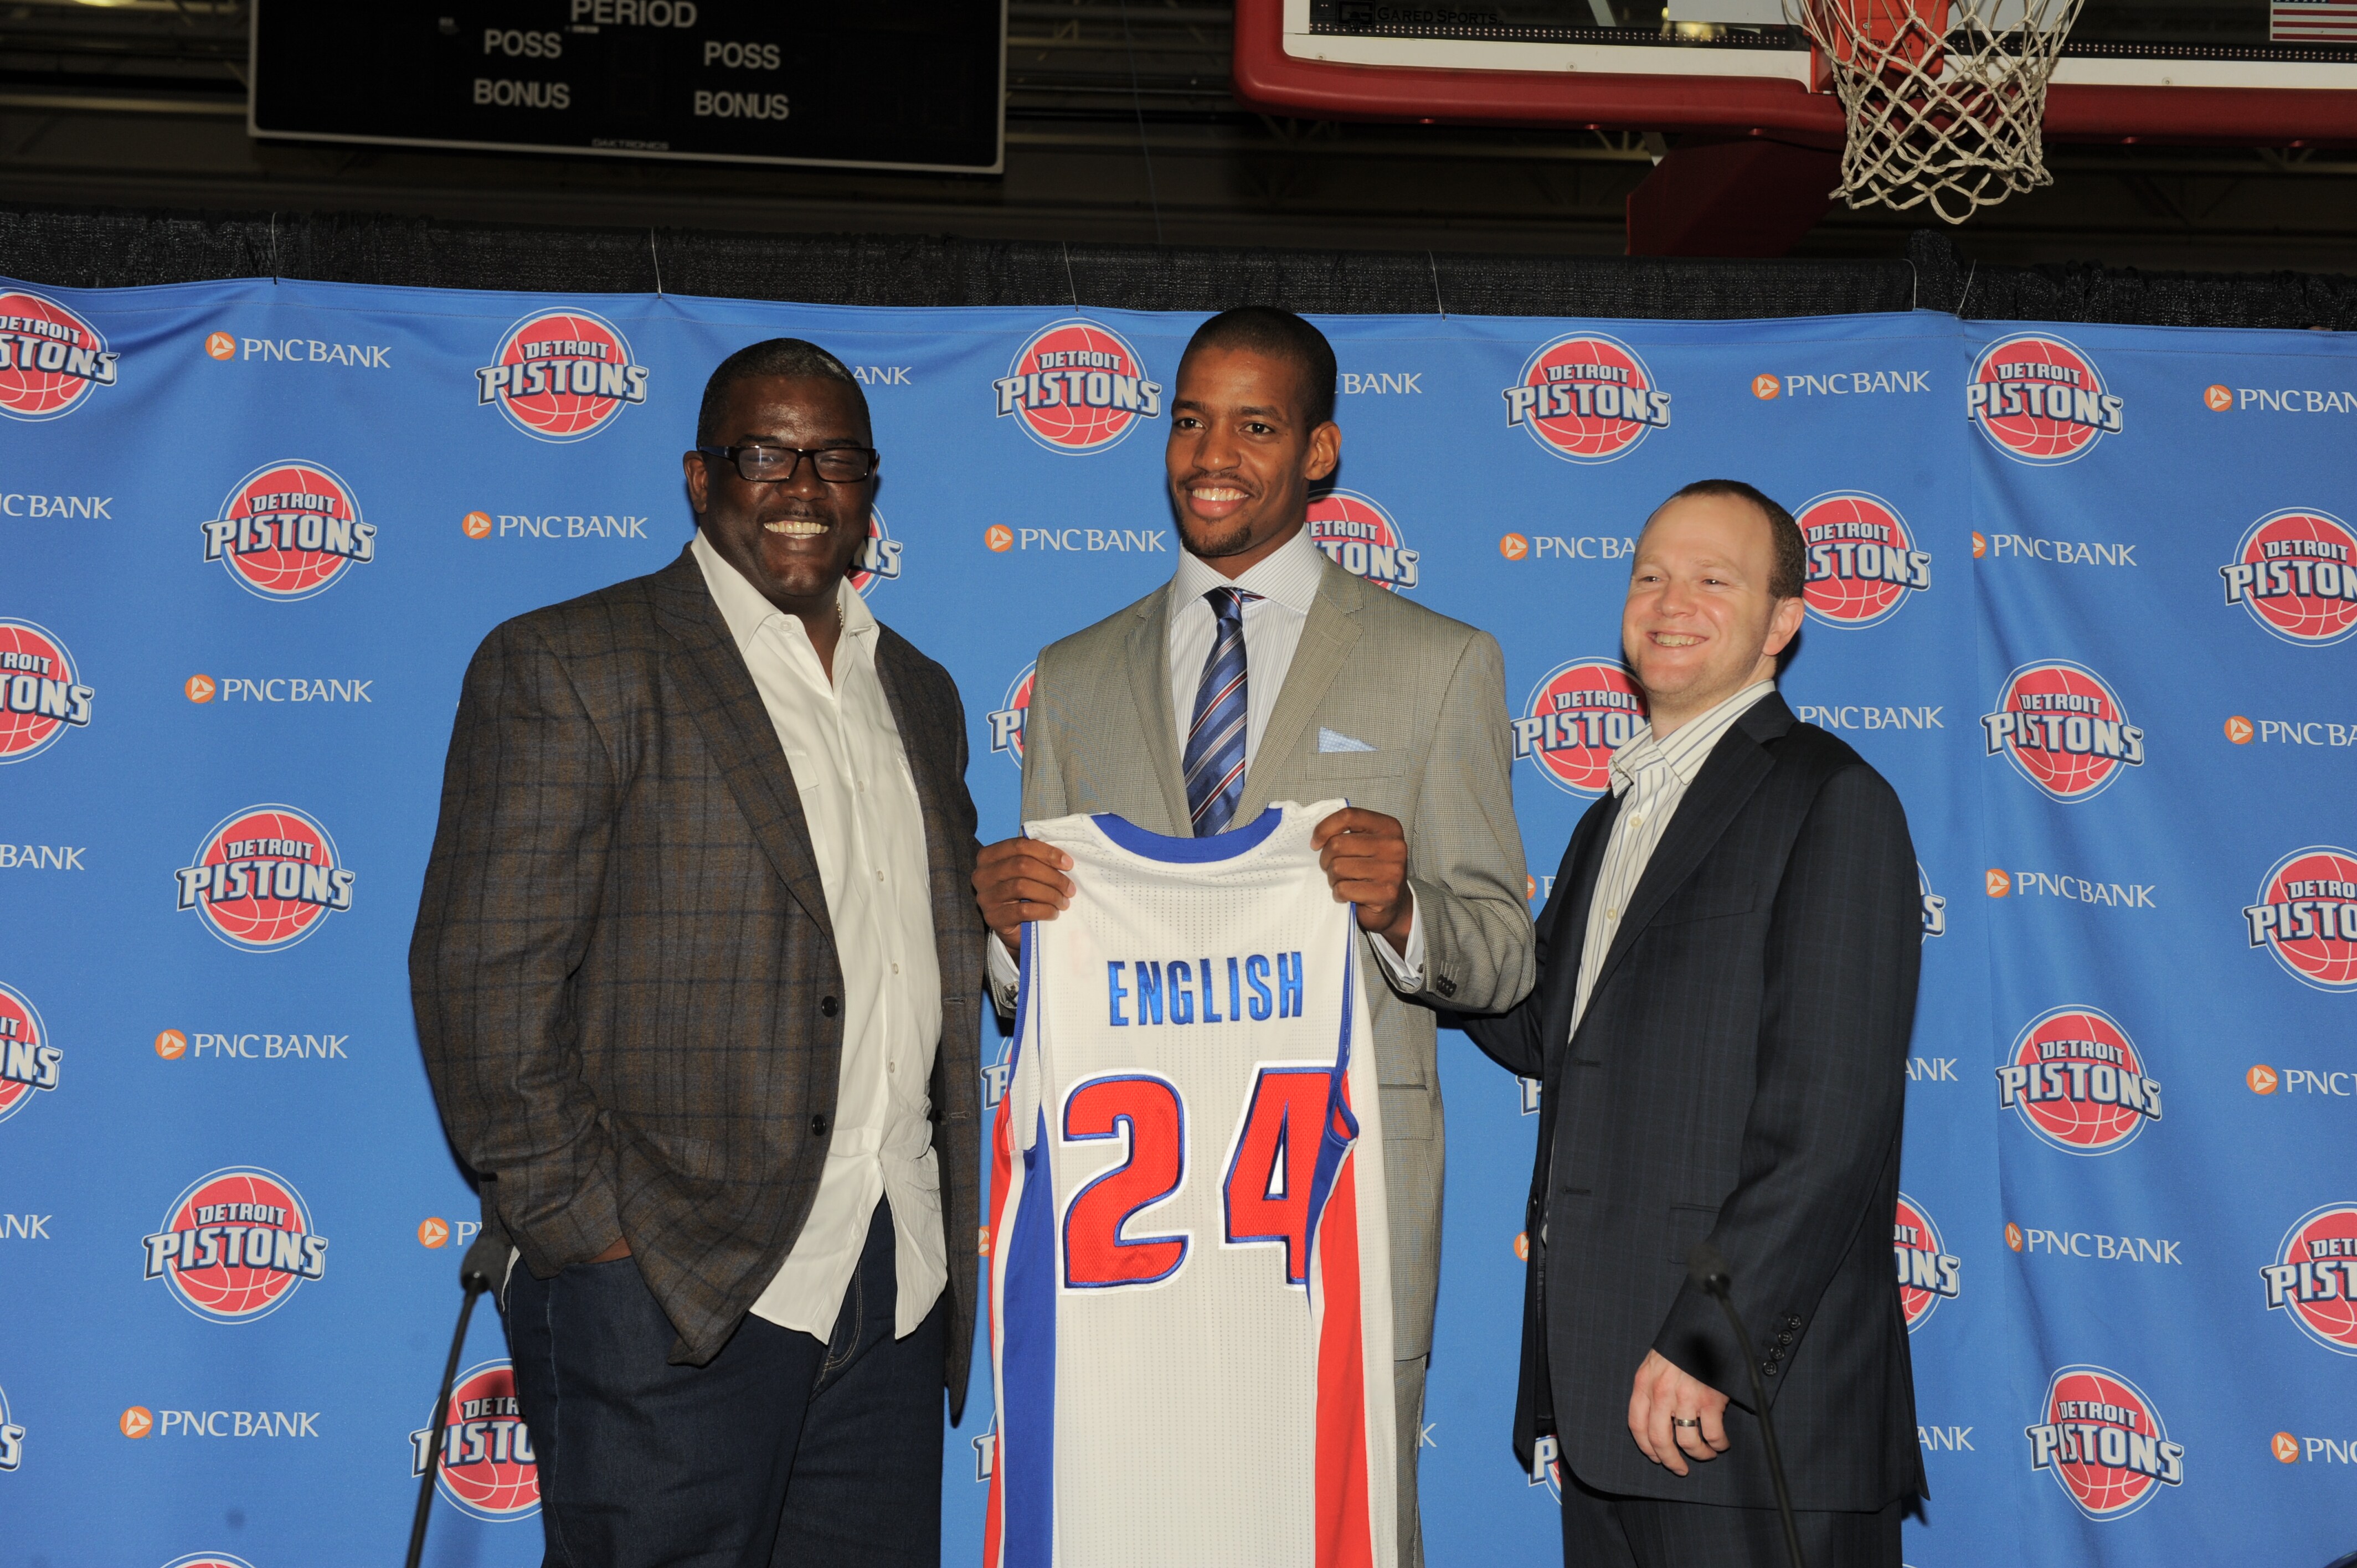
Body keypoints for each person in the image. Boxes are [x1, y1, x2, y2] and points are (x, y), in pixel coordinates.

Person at [971, 305, 1536, 1565]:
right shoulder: (1071, 677)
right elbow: (1038, 983)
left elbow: (1502, 953)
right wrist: (1004, 939)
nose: (1208, 453)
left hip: (1332, 1215)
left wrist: (1401, 909)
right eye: (1186, 420)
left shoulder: (1438, 663)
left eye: (1254, 424)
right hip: (1131, 1234)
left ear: (1319, 452)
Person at [411, 339, 984, 1567]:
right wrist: (596, 1240)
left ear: (870, 487)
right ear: (699, 476)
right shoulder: (574, 663)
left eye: (835, 458)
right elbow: (481, 983)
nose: (800, 484)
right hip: (668, 1291)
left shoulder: (919, 693)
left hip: (894, 1285)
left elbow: (909, 948)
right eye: (763, 453)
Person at [1463, 479, 1925, 1568]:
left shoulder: (1832, 801)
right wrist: (1398, 925)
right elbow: (1542, 1032)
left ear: (1781, 622)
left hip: (1747, 1408)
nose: (1671, 601)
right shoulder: (1608, 819)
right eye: (1650, 575)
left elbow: (1830, 1129)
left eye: (1714, 579)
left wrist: (1708, 1341)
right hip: (1605, 1401)